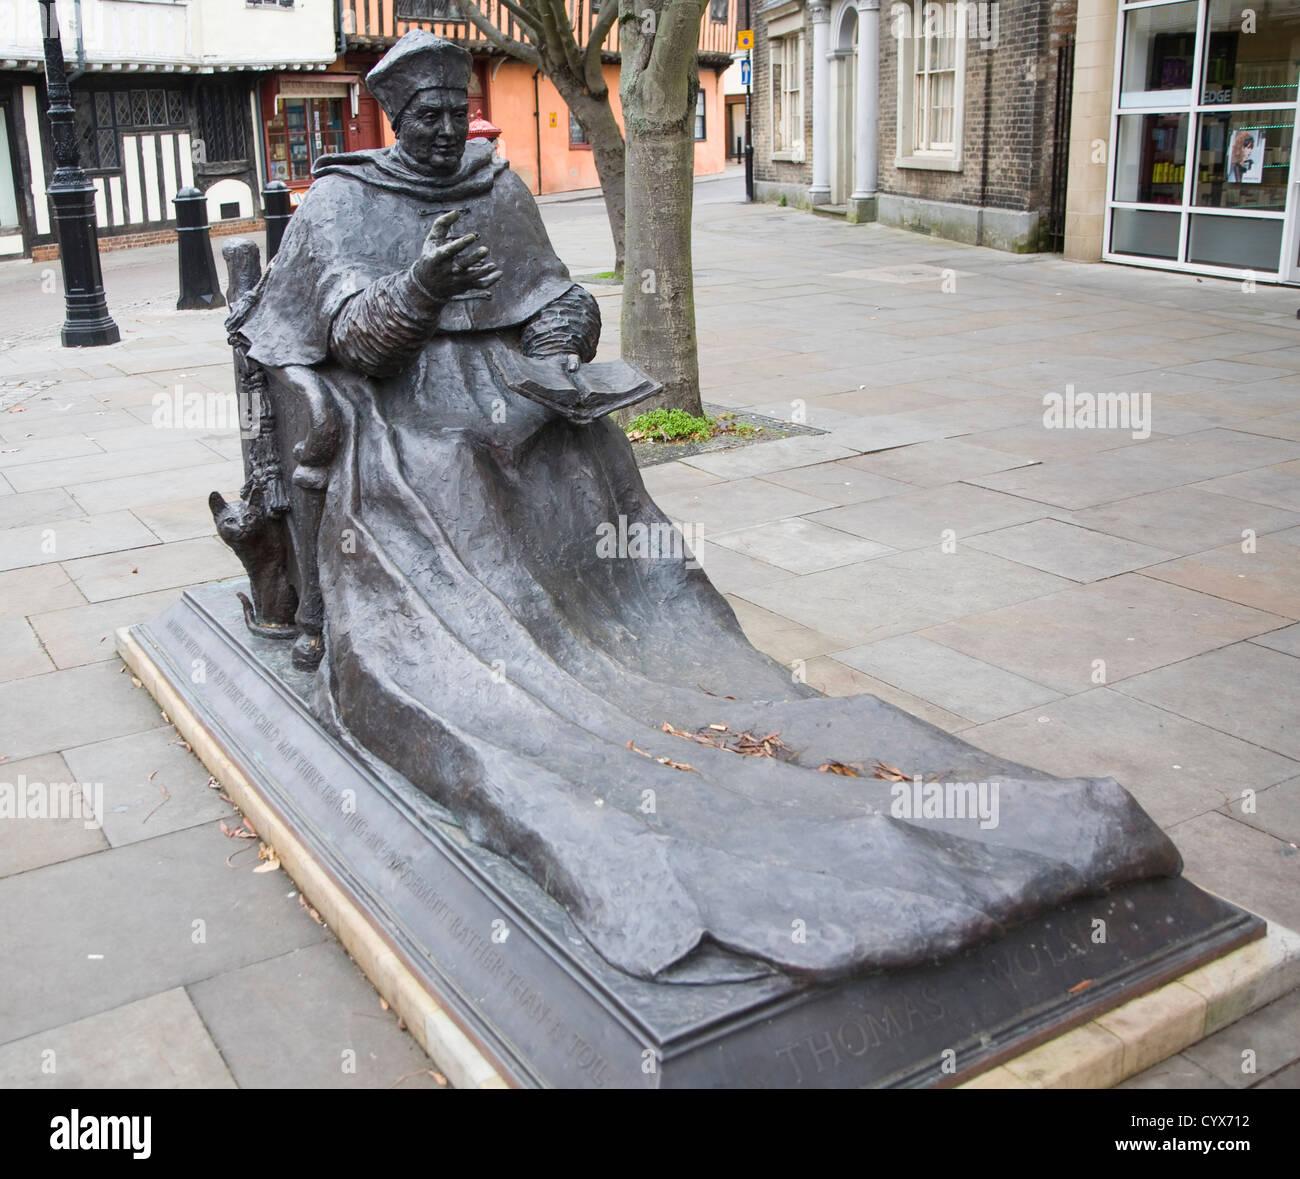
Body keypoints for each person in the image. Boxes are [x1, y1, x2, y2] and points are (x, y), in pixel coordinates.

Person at [227, 32, 1180, 983]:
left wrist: (559, 349)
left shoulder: (495, 185)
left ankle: (620, 622)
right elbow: (352, 344)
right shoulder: (349, 202)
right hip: (404, 413)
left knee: (587, 451)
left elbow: (560, 299)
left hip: (517, 391)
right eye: (423, 118)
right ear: (396, 118)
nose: (441, 133)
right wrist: (425, 285)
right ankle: (516, 658)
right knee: (459, 475)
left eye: (451, 114)